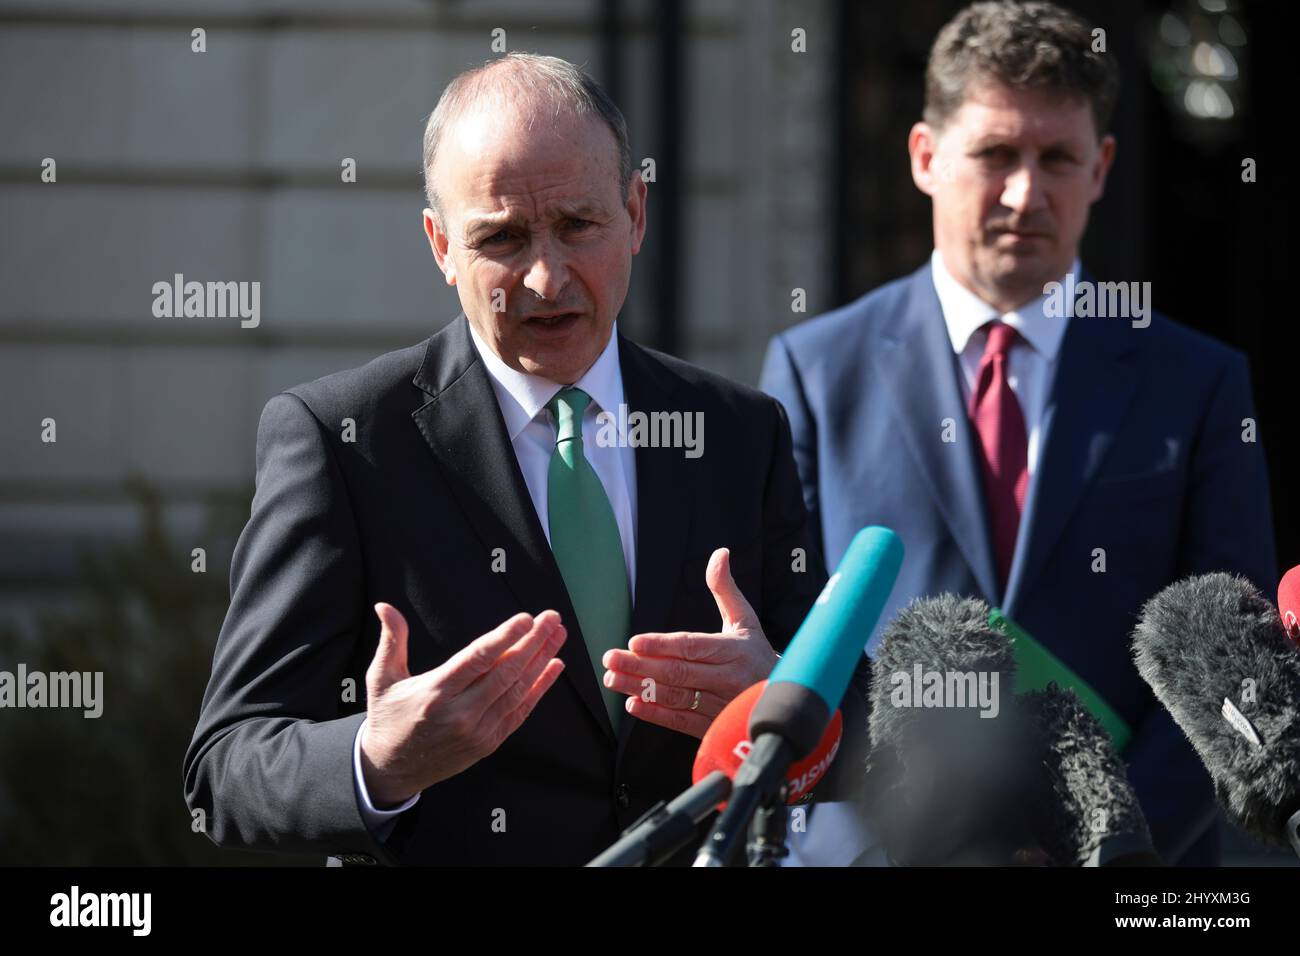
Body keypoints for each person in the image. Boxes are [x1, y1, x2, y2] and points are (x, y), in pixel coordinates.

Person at [184, 52, 867, 866]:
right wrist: (377, 760)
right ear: (441, 245)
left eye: (579, 225)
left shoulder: (736, 432)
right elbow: (225, 770)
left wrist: (787, 696)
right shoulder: (343, 441)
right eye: (502, 239)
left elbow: (866, 739)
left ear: (636, 213)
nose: (546, 278)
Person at [761, 1, 1275, 866]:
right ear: (926, 156)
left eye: (1058, 158)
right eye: (996, 153)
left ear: (1103, 167)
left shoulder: (1199, 383)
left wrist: (1108, 839)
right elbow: (794, 640)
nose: (1026, 192)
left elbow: (1228, 669)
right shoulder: (817, 370)